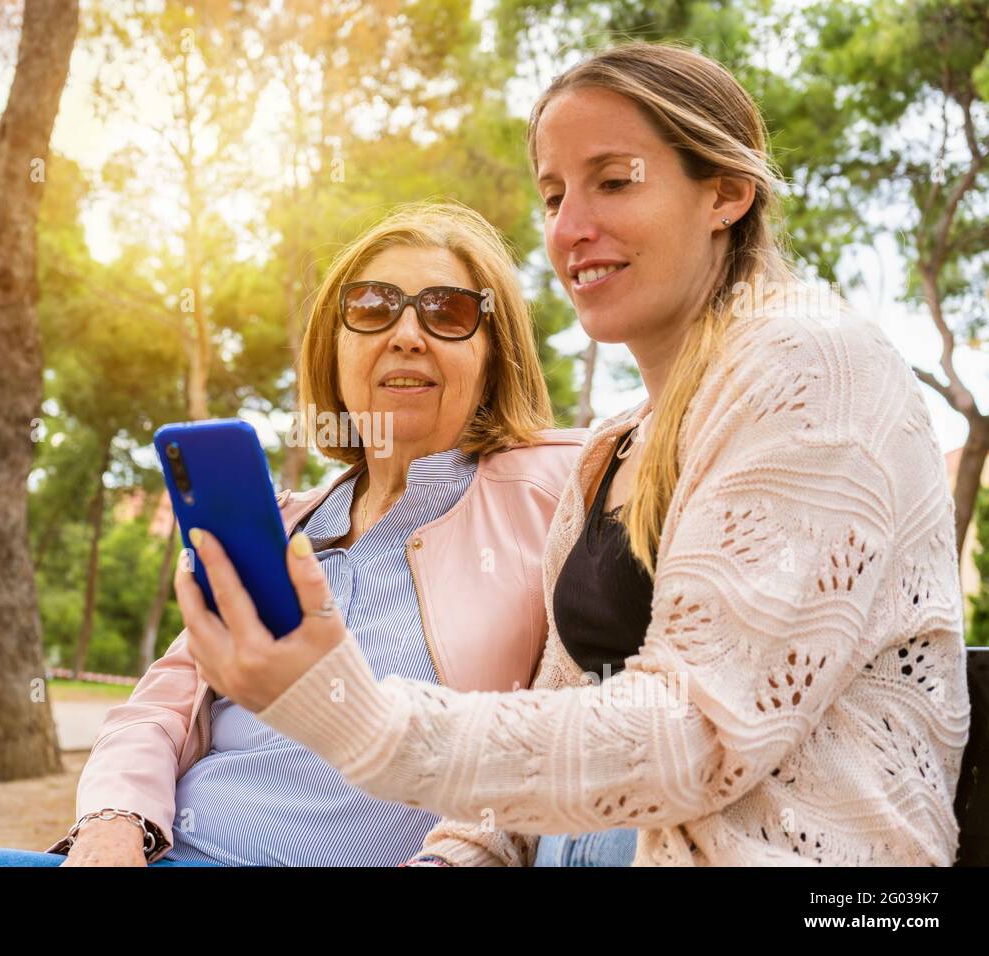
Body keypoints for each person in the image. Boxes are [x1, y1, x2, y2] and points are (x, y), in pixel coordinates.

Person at [176, 41, 971, 866]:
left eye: (615, 181)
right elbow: (553, 716)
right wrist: (456, 857)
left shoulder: (814, 364)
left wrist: (357, 717)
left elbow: (699, 732)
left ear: (727, 194)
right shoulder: (614, 445)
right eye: (553, 195)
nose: (570, 229)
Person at [0, 200, 591, 867]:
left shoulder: (558, 489)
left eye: (448, 311)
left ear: (495, 357)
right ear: (335, 346)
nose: (407, 333)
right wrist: (114, 822)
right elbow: (157, 710)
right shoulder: (282, 522)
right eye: (374, 307)